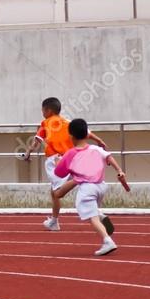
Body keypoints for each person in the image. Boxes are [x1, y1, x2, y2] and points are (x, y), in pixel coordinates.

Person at [22, 97, 107, 231]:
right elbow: (86, 132)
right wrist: (100, 141)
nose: (42, 113)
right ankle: (54, 220)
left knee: (57, 192)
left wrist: (28, 152)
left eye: (42, 110)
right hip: (72, 157)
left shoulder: (45, 123)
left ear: (48, 111)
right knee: (57, 190)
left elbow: (37, 141)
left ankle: (93, 212)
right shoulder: (67, 122)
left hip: (55, 160)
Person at [53, 118, 125, 256]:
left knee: (91, 217)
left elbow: (59, 172)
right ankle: (99, 215)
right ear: (87, 134)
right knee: (92, 211)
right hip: (101, 187)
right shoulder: (95, 149)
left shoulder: (71, 154)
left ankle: (107, 240)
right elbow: (109, 156)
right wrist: (119, 171)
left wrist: (57, 162)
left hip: (87, 189)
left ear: (71, 136)